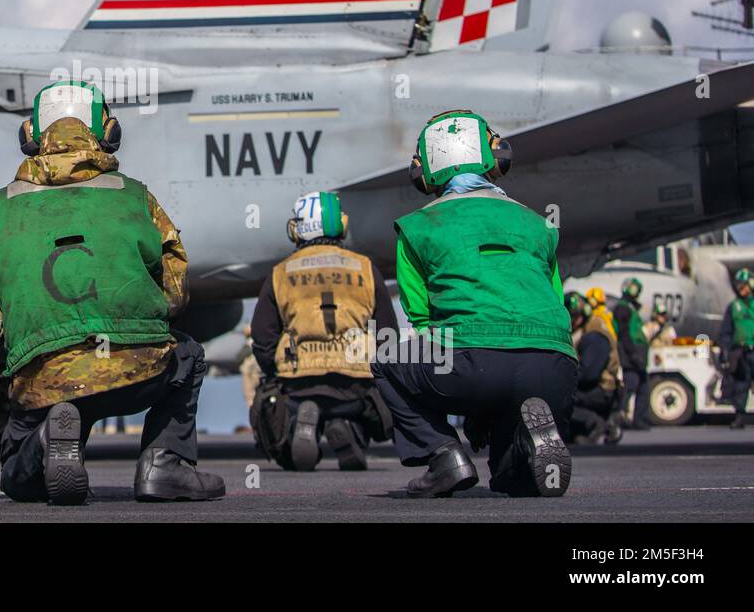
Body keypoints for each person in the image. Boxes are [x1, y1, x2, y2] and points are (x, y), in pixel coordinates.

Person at [0, 81, 224, 505]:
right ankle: (165, 466)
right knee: (188, 356)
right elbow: (176, 293)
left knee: (17, 478)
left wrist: (7, 373)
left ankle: (47, 437)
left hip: (45, 379)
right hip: (137, 372)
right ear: (108, 133)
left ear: (30, 136)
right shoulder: (136, 197)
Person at [372, 109, 576, 498]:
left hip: (473, 362)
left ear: (424, 172)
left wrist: (471, 399)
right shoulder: (538, 224)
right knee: (509, 479)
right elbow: (554, 302)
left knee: (385, 360)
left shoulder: (417, 227)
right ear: (496, 157)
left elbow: (424, 321)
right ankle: (533, 440)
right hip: (553, 367)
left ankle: (444, 456)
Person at [249, 191, 395, 471]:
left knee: (282, 437)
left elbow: (262, 336)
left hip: (297, 386)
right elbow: (388, 333)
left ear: (300, 228)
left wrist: (275, 372)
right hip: (356, 387)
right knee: (378, 396)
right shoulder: (366, 269)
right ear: (340, 223)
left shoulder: (281, 272)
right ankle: (351, 428)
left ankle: (298, 432)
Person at [566, 293, 622, 445]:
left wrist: (563, 380)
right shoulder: (590, 329)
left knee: (559, 397)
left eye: (573, 316)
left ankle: (596, 423)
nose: (571, 321)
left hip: (602, 389)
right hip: (603, 387)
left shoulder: (594, 336)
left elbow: (588, 374)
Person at [613, 277, 651, 430]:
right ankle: (619, 418)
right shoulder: (623, 308)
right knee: (629, 388)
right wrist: (633, 354)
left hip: (637, 355)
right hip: (630, 356)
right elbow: (624, 334)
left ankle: (639, 419)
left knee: (643, 388)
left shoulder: (631, 307)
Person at [719, 267, 754, 429]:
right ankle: (740, 416)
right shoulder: (733, 307)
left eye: (744, 285)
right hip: (741, 351)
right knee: (741, 384)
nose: (742, 289)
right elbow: (726, 331)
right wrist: (724, 351)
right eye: (739, 285)